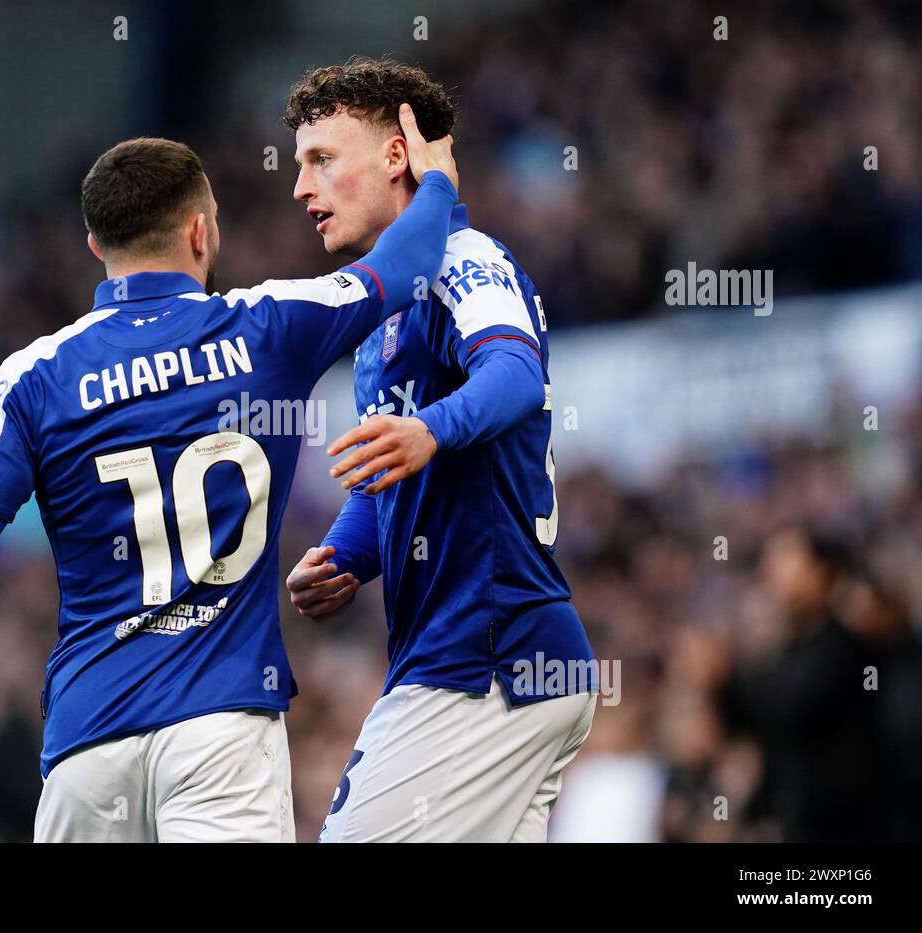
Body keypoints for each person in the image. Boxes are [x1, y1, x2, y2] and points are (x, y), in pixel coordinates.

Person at [0, 109, 459, 842]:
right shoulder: (268, 325)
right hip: (221, 727)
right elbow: (407, 264)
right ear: (201, 231)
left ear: (95, 244)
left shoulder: (31, 377)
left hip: (87, 741)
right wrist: (437, 182)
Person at [282, 58, 597, 842]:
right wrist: (346, 556)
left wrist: (430, 430)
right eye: (297, 164)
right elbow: (383, 480)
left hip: (488, 654)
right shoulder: (379, 316)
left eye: (322, 158)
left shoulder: (463, 259)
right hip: (482, 656)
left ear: (398, 156)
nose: (300, 187)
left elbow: (515, 372)